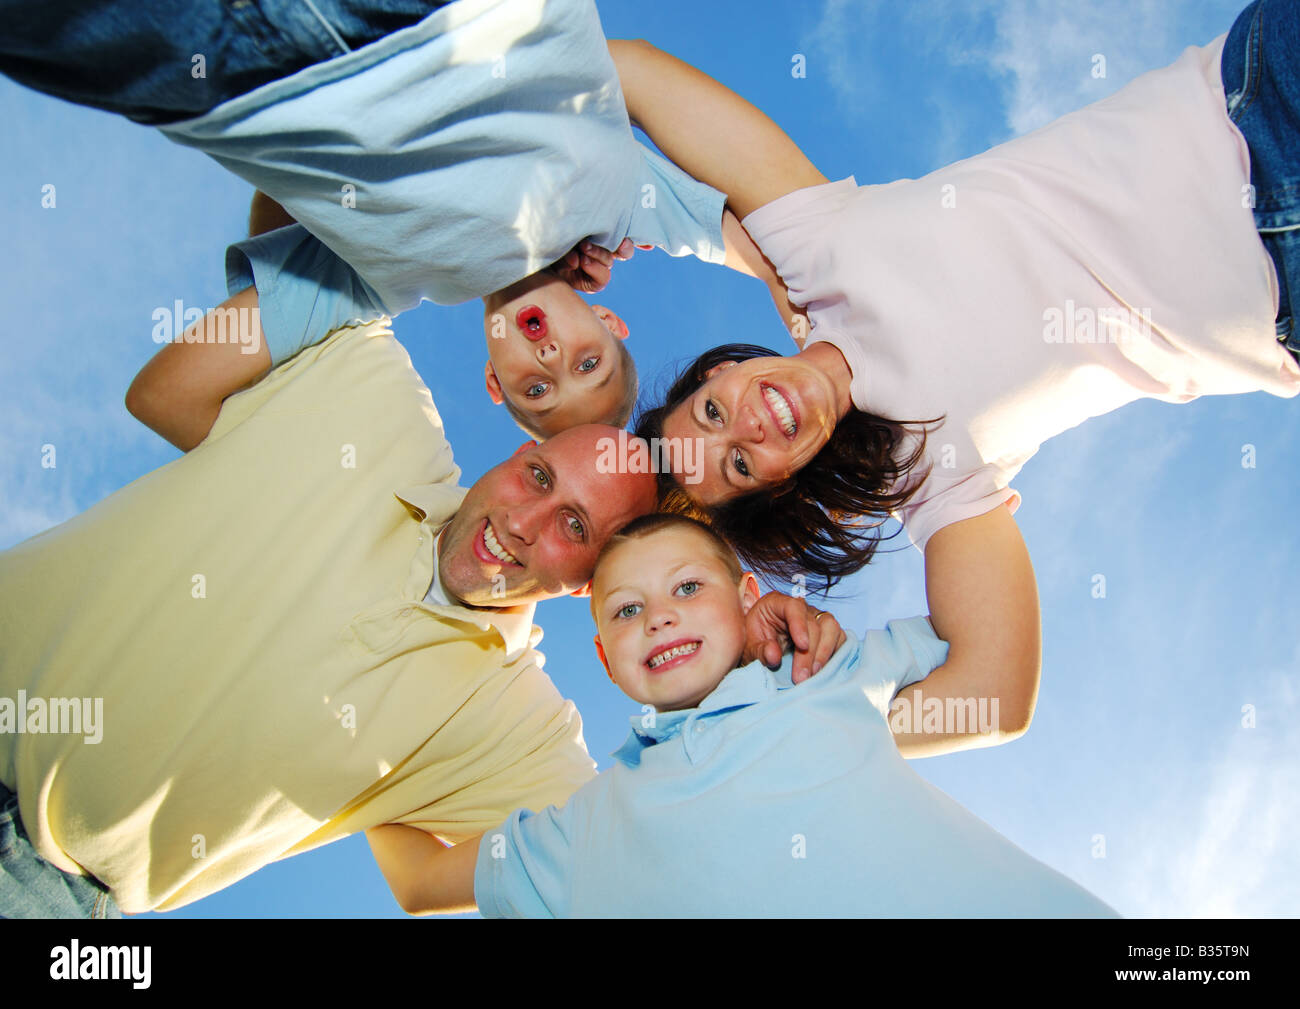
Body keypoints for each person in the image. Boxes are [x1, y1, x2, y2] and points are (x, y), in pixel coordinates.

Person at [0, 0, 733, 439]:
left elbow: (166, 396)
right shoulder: (616, 205)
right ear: (613, 324)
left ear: (493, 381)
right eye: (587, 362)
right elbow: (766, 232)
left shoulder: (376, 286)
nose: (550, 362)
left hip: (212, 66)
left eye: (536, 389)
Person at [365, 514, 1112, 917]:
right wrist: (356, 766)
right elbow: (423, 879)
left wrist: (960, 496)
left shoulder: (816, 672)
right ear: (602, 656)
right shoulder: (579, 831)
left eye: (687, 587)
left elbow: (980, 643)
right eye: (628, 609)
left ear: (748, 595)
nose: (659, 616)